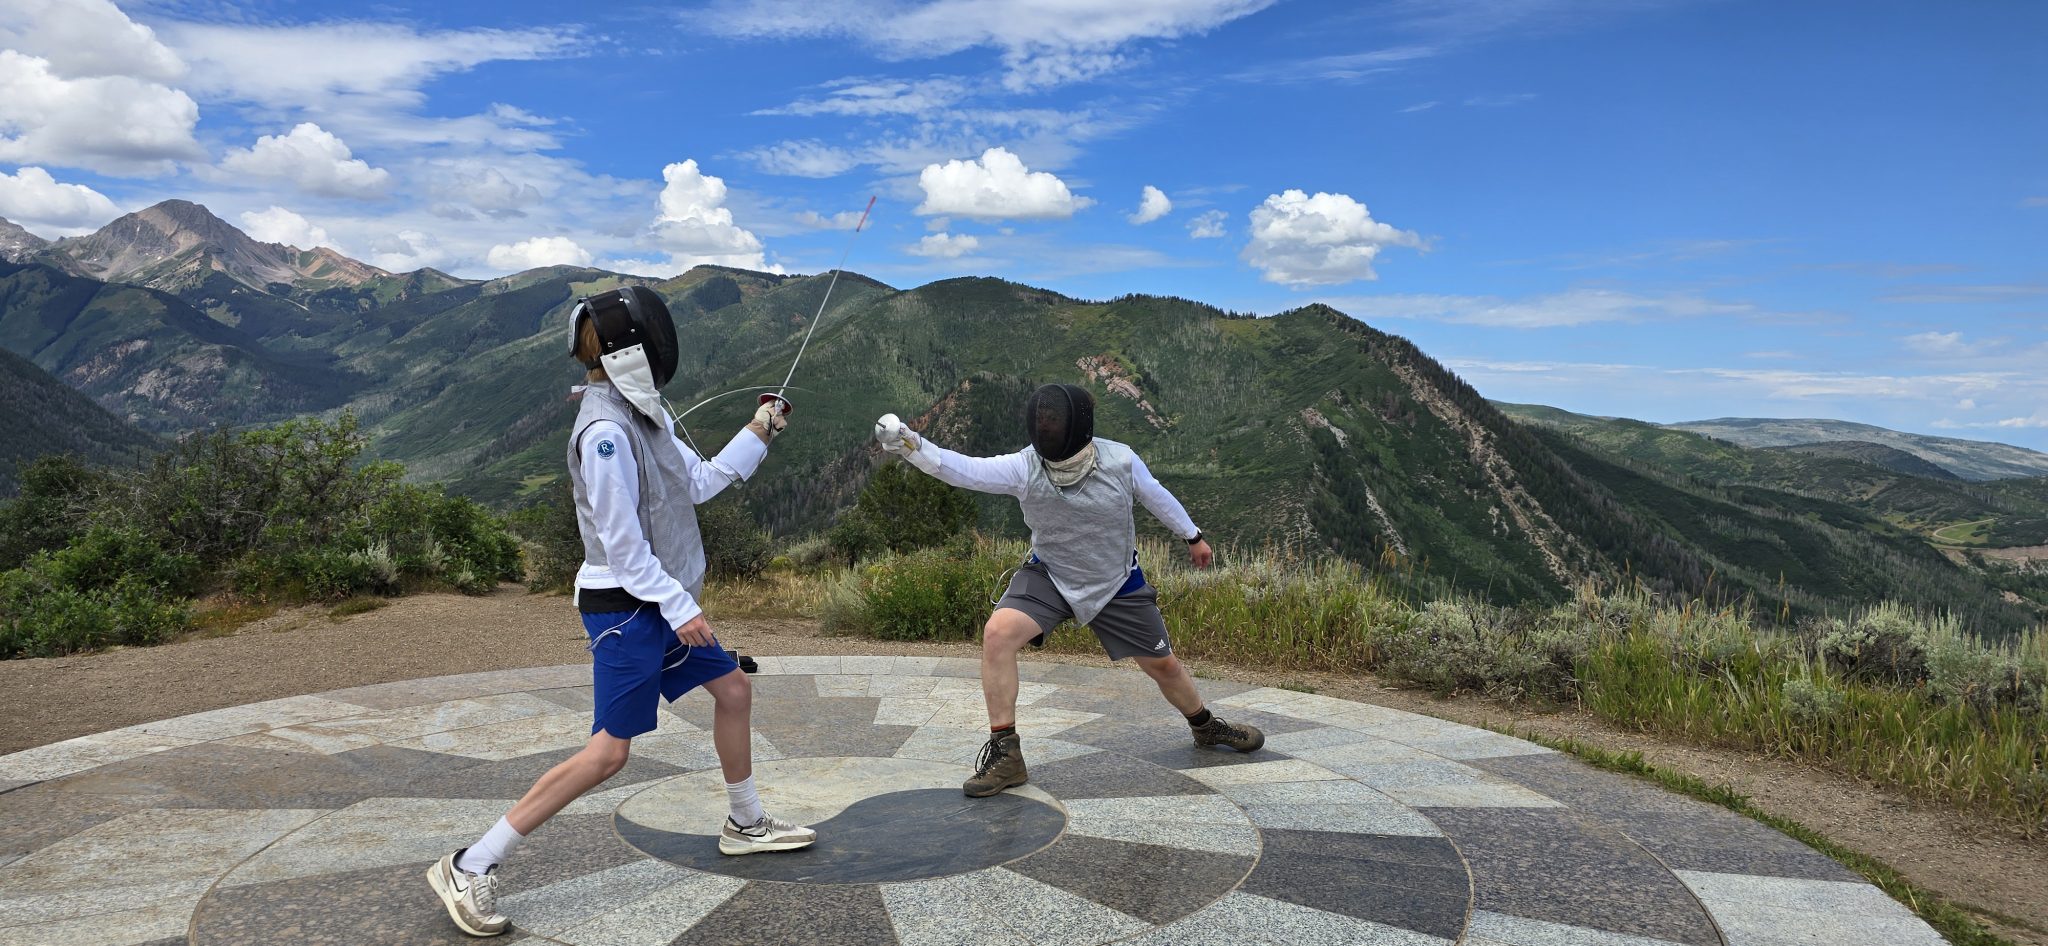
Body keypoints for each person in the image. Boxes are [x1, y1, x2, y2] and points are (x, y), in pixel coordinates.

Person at [427, 286, 815, 938]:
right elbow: (624, 548)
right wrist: (681, 607)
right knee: (608, 754)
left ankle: (746, 823)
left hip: (657, 601)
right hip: (627, 611)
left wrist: (759, 431)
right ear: (638, 350)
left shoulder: (643, 413)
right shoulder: (606, 432)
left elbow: (698, 483)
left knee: (733, 689)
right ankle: (471, 863)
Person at [873, 383, 1264, 798]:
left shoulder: (1121, 460)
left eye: (1053, 421)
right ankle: (1006, 755)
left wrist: (1192, 536)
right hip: (1051, 574)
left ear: (1077, 424)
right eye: (1042, 421)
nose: (1047, 428)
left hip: (1115, 581)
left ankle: (1205, 726)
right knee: (998, 634)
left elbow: (1156, 496)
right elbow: (962, 469)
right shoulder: (1025, 466)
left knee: (1164, 666)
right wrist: (911, 445)